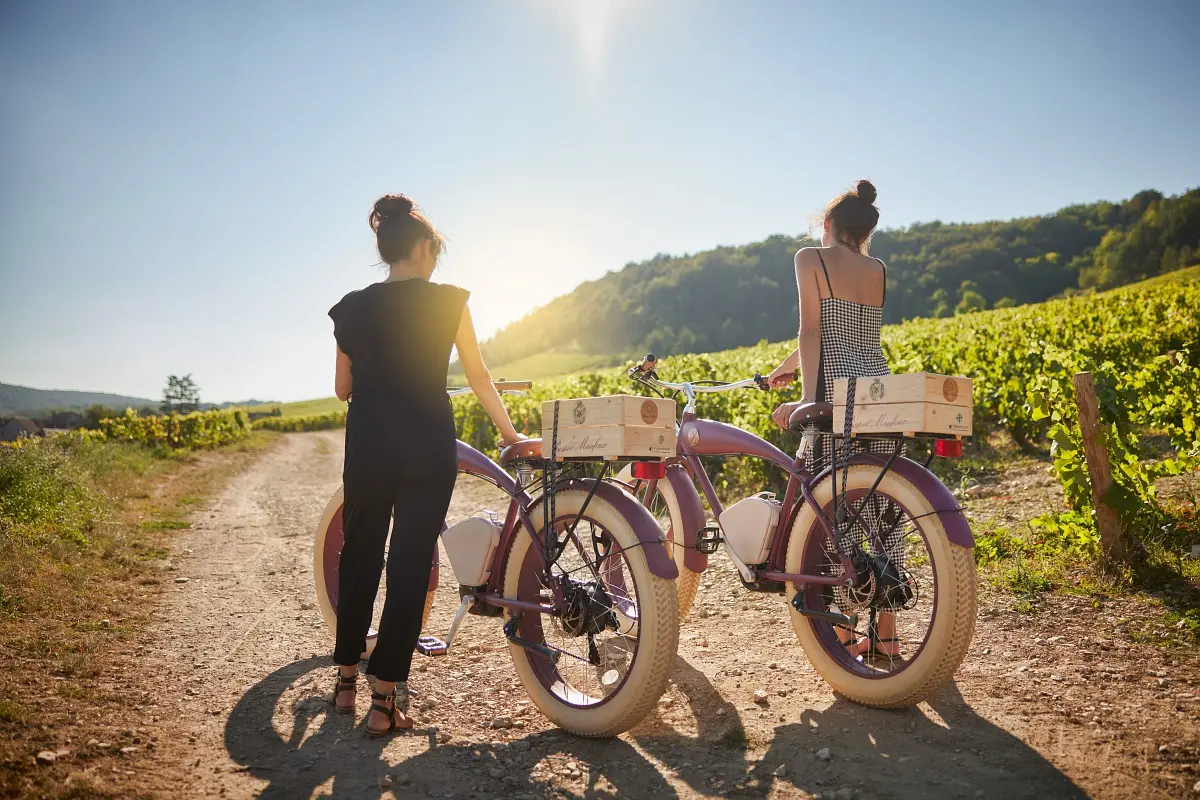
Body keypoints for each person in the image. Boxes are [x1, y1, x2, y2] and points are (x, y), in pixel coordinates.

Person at [327, 194, 523, 736]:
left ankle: (345, 681)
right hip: (426, 438)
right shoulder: (449, 302)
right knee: (410, 561)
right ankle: (384, 699)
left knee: (360, 552)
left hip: (368, 440)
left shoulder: (350, 308)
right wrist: (511, 435)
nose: (436, 259)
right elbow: (480, 378)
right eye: (434, 249)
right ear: (419, 247)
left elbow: (341, 387)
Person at [766, 179, 904, 660]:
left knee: (833, 512)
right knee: (883, 510)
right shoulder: (878, 269)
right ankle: (885, 639)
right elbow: (848, 331)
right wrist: (784, 370)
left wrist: (807, 398)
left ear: (827, 224)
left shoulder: (810, 259)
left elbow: (812, 330)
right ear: (864, 232)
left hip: (833, 392)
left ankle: (844, 637)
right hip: (877, 390)